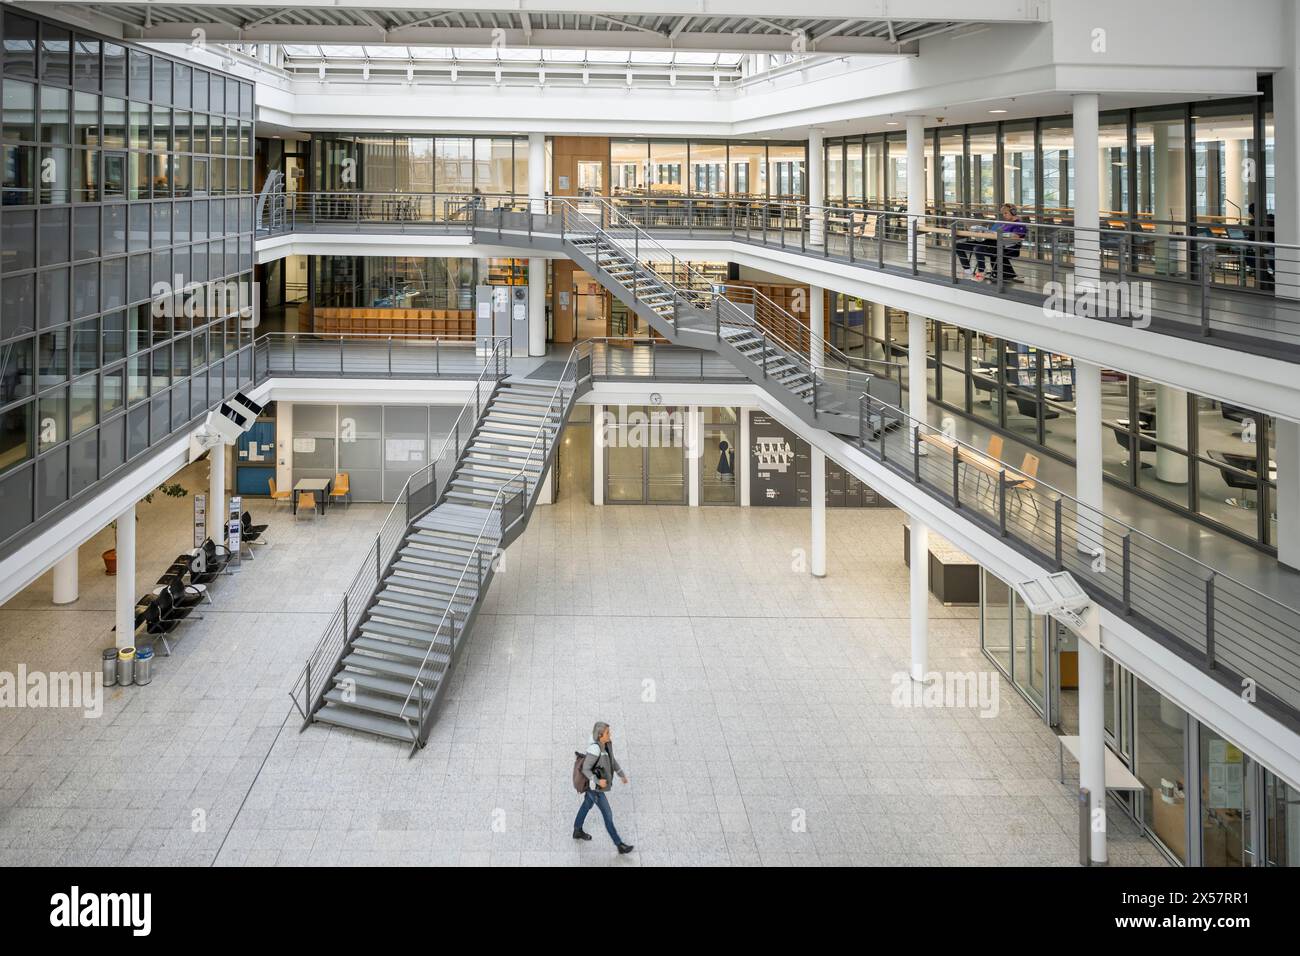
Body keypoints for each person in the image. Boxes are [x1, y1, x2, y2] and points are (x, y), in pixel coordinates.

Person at [573, 721, 634, 854]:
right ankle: (619, 845)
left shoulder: (606, 745)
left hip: (595, 789)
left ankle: (577, 830)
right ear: (600, 735)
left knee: (586, 806)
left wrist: (621, 774)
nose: (610, 734)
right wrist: (597, 781)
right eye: (607, 733)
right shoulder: (595, 750)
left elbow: (612, 760)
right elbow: (585, 769)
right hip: (596, 790)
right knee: (608, 815)